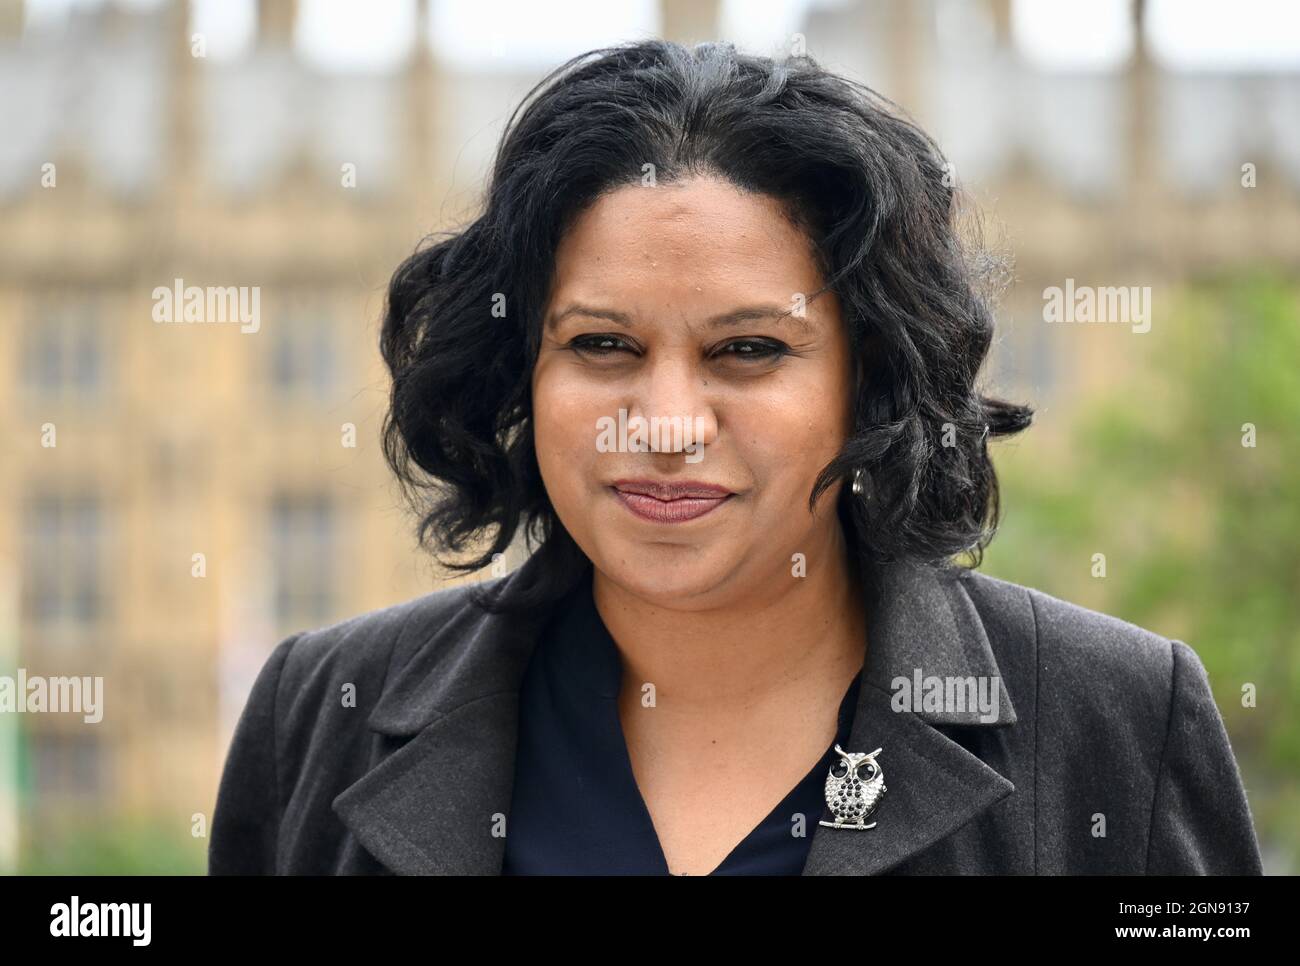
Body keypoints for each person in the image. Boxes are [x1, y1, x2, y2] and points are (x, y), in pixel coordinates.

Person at [208, 39, 1263, 875]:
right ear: (518, 369)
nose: (665, 425)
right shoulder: (323, 711)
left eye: (747, 351)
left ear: (869, 378)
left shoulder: (1111, 720)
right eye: (602, 346)